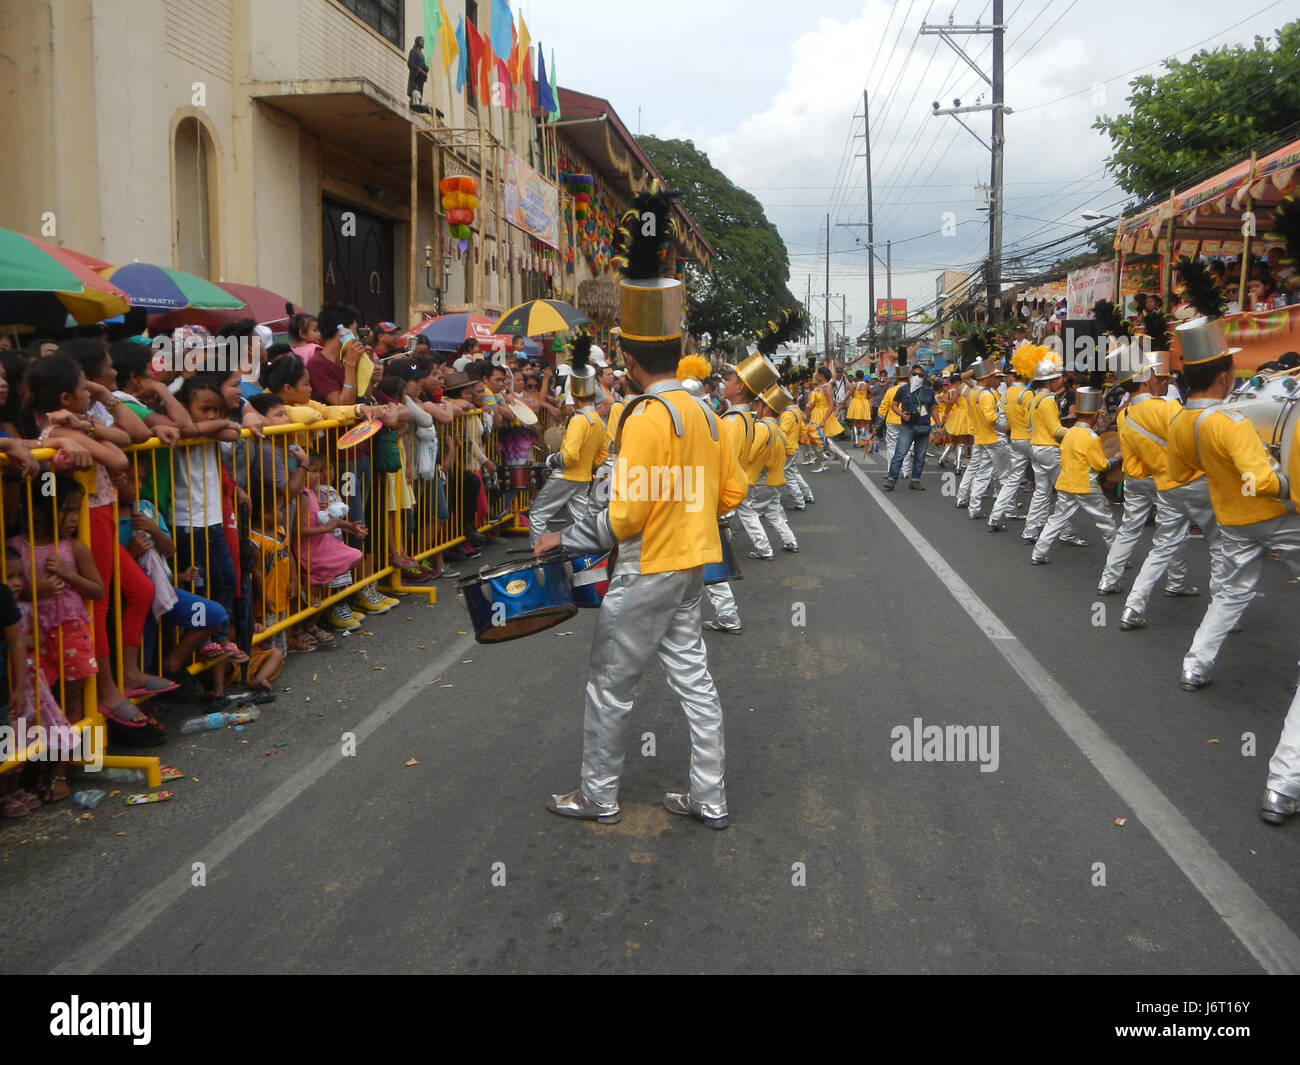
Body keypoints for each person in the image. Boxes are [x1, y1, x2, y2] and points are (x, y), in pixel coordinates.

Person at [535, 186, 748, 827]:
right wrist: (686, 507)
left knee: (611, 685)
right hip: (693, 565)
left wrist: (563, 540)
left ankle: (598, 796)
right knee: (695, 683)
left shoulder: (644, 414)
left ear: (626, 359)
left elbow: (626, 517)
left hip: (647, 565)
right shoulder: (708, 413)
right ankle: (707, 796)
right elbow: (731, 495)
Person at [1166, 318, 1300, 691]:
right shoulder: (1232, 422)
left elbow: (1180, 472)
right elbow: (1261, 481)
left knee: (1231, 594)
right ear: (1224, 377)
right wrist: (1294, 484)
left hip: (1231, 519)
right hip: (1276, 516)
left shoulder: (1180, 422)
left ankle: (1195, 667)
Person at [528, 336, 606, 547]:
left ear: (573, 391)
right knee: (583, 522)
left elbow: (569, 456)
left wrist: (552, 459)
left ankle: (542, 562)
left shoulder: (579, 420)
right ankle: (590, 559)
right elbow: (602, 456)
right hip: (581, 479)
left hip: (566, 475)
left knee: (536, 516)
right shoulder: (597, 420)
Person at [1030, 388, 1119, 564]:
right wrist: (1115, 460)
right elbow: (1100, 464)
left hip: (1065, 483)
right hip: (1086, 485)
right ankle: (1119, 558)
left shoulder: (1068, 433)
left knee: (1056, 520)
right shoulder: (1092, 437)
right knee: (1106, 522)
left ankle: (1037, 554)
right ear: (1094, 416)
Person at [987, 346, 1039, 531]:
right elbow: (1033, 420)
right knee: (1043, 485)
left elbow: (1001, 421)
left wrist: (1010, 428)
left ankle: (994, 518)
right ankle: (1036, 525)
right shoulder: (1027, 394)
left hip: (1014, 440)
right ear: (1025, 375)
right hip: (1031, 441)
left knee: (1011, 480)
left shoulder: (1006, 394)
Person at [954, 358, 1001, 518]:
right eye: (994, 376)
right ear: (987, 377)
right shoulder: (988, 394)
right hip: (989, 436)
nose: (997, 379)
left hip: (978, 435)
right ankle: (974, 508)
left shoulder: (973, 392)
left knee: (974, 468)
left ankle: (961, 497)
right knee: (985, 473)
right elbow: (992, 418)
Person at [883, 364, 935, 490]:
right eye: (914, 374)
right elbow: (894, 405)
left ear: (924, 377)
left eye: (920, 375)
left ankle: (915, 480)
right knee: (900, 453)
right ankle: (892, 479)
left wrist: (938, 424)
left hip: (923, 427)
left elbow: (933, 409)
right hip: (907, 427)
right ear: (909, 376)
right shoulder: (903, 390)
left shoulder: (928, 391)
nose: (917, 377)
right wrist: (901, 414)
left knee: (919, 456)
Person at [407, 35, 429, 111]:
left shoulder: (422, 55)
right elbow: (410, 63)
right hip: (415, 76)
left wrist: (425, 68)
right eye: (422, 41)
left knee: (420, 93)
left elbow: (423, 65)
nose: (423, 43)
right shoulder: (413, 51)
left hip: (421, 78)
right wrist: (418, 70)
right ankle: (414, 105)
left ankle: (418, 106)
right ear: (417, 42)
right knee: (415, 92)